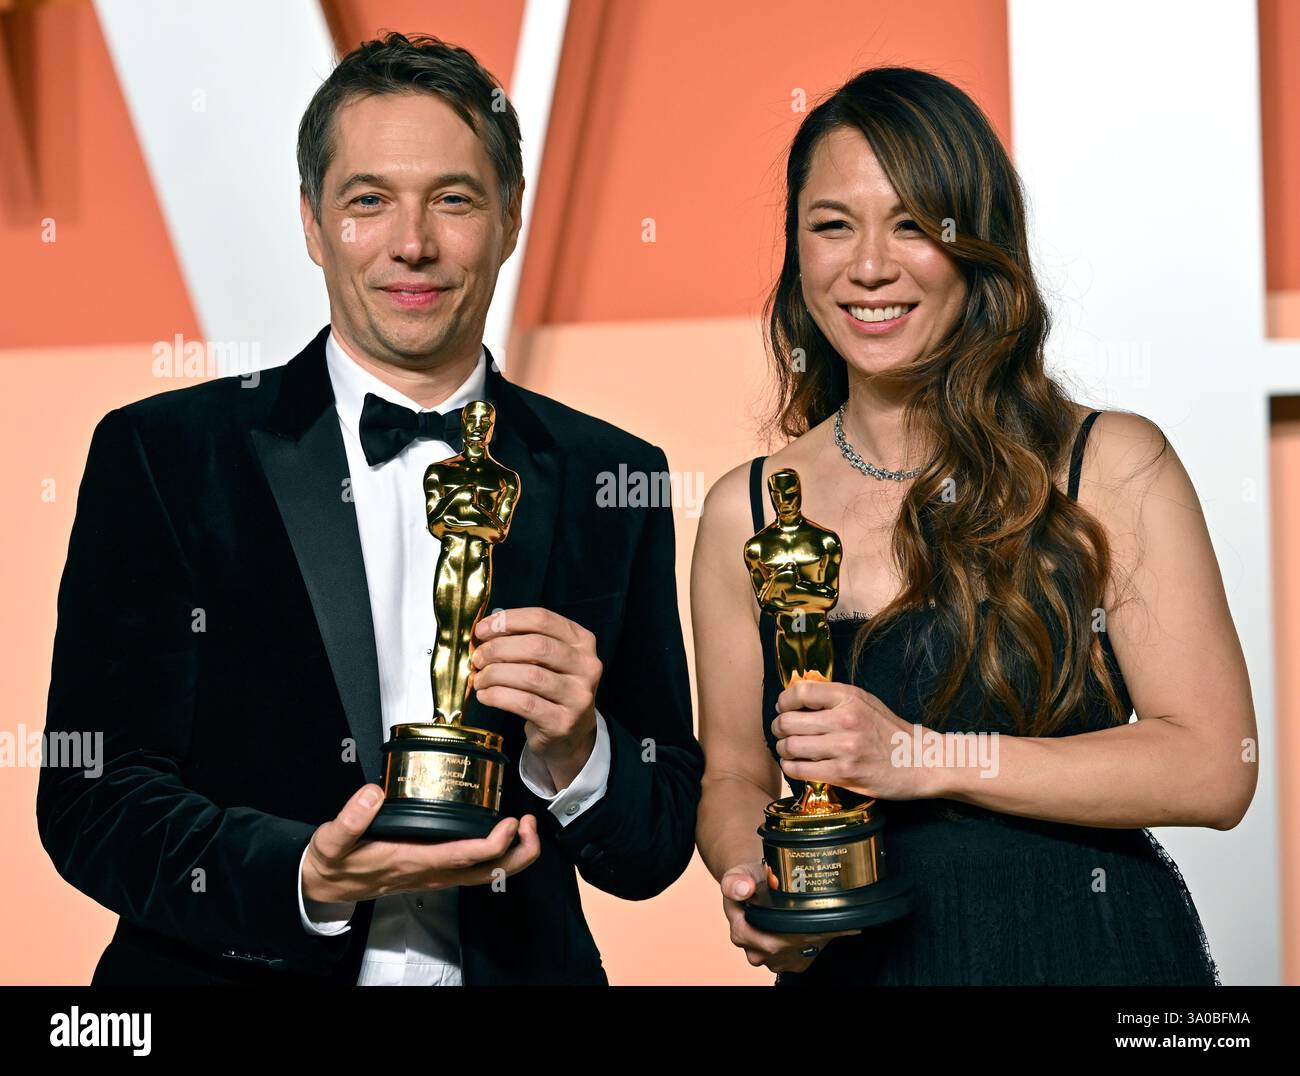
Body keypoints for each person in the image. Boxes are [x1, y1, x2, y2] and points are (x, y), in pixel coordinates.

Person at [37, 32, 702, 986]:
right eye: (368, 201)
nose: (412, 243)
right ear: (313, 223)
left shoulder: (613, 475)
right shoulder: (165, 456)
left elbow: (656, 846)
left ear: (512, 217)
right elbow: (91, 796)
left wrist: (580, 750)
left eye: (454, 199)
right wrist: (303, 876)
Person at [691, 66, 1256, 985]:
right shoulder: (743, 511)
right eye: (832, 225)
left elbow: (1214, 766)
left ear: (978, 244)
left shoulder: (1108, 465)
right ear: (796, 250)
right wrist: (754, 885)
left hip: (1086, 954)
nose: (869, 267)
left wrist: (921, 757)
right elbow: (732, 776)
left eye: (913, 224)